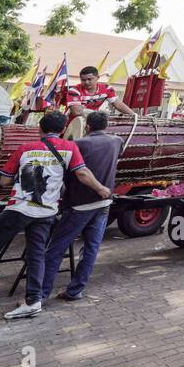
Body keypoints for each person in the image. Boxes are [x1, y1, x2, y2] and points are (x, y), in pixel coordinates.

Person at [0, 111, 107, 324]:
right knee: (36, 257)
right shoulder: (70, 148)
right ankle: (33, 301)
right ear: (63, 130)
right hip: (46, 212)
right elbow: (82, 174)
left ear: (40, 130)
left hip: (19, 210)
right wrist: (101, 188)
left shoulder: (24, 148)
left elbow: (5, 183)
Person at [38, 111, 118, 302]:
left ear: (87, 126)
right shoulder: (117, 141)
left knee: (55, 250)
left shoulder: (77, 144)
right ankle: (75, 291)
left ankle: (39, 296)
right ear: (106, 126)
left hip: (79, 205)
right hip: (104, 202)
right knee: (91, 249)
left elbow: (76, 172)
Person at [65, 66, 135, 118]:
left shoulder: (107, 88)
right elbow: (77, 112)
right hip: (75, 125)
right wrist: (100, 114)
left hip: (94, 122)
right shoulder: (74, 91)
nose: (86, 82)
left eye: (89, 79)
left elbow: (119, 105)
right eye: (83, 80)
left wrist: (134, 116)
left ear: (98, 78)